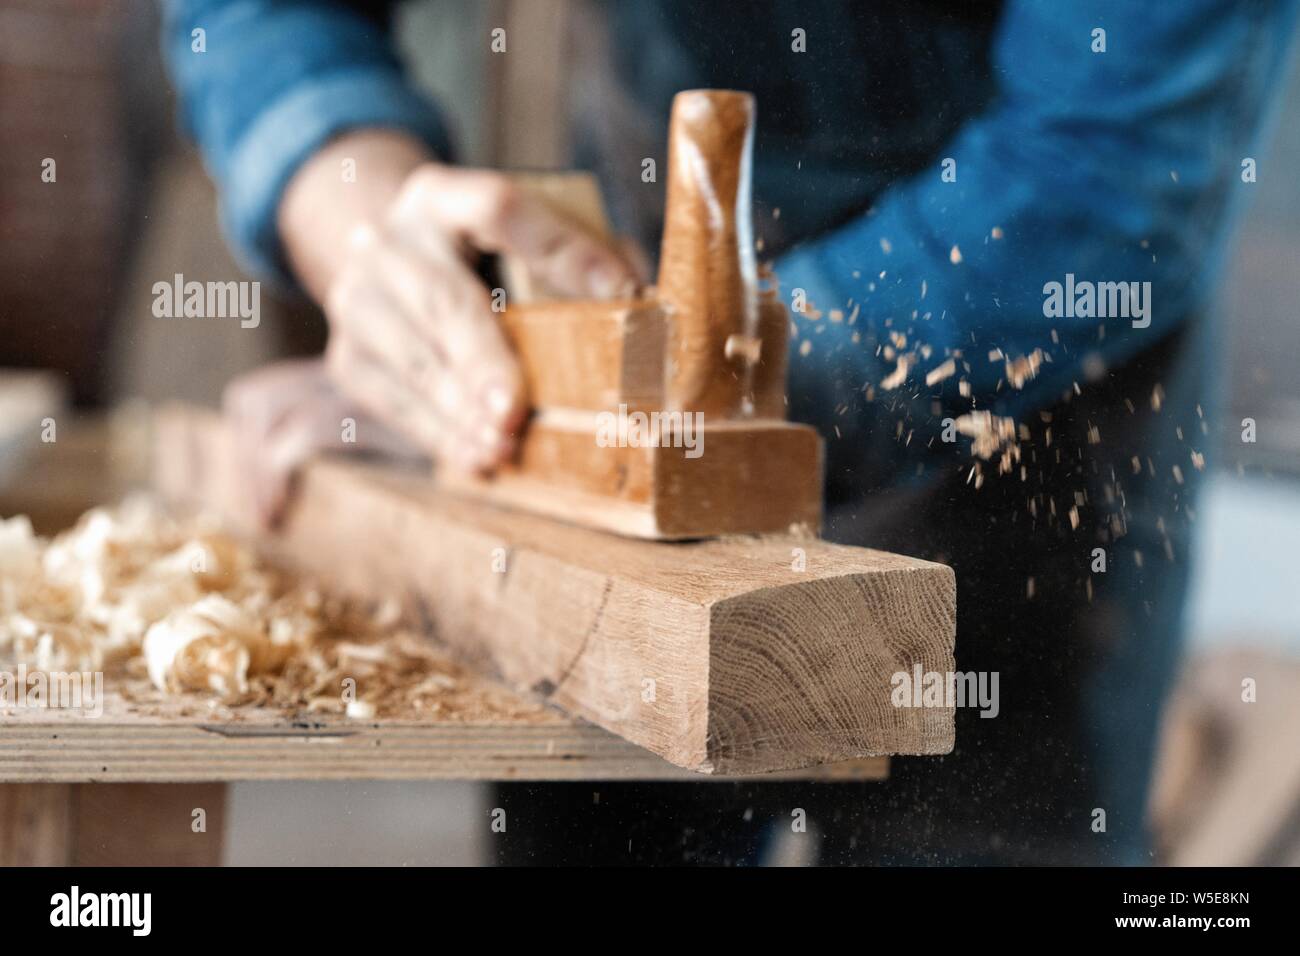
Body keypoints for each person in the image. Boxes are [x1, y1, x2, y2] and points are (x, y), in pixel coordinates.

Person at [163, 0, 1299, 864]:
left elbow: (1108, 164)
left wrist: (644, 403)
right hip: (631, 341)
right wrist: (369, 239)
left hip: (1034, 411)